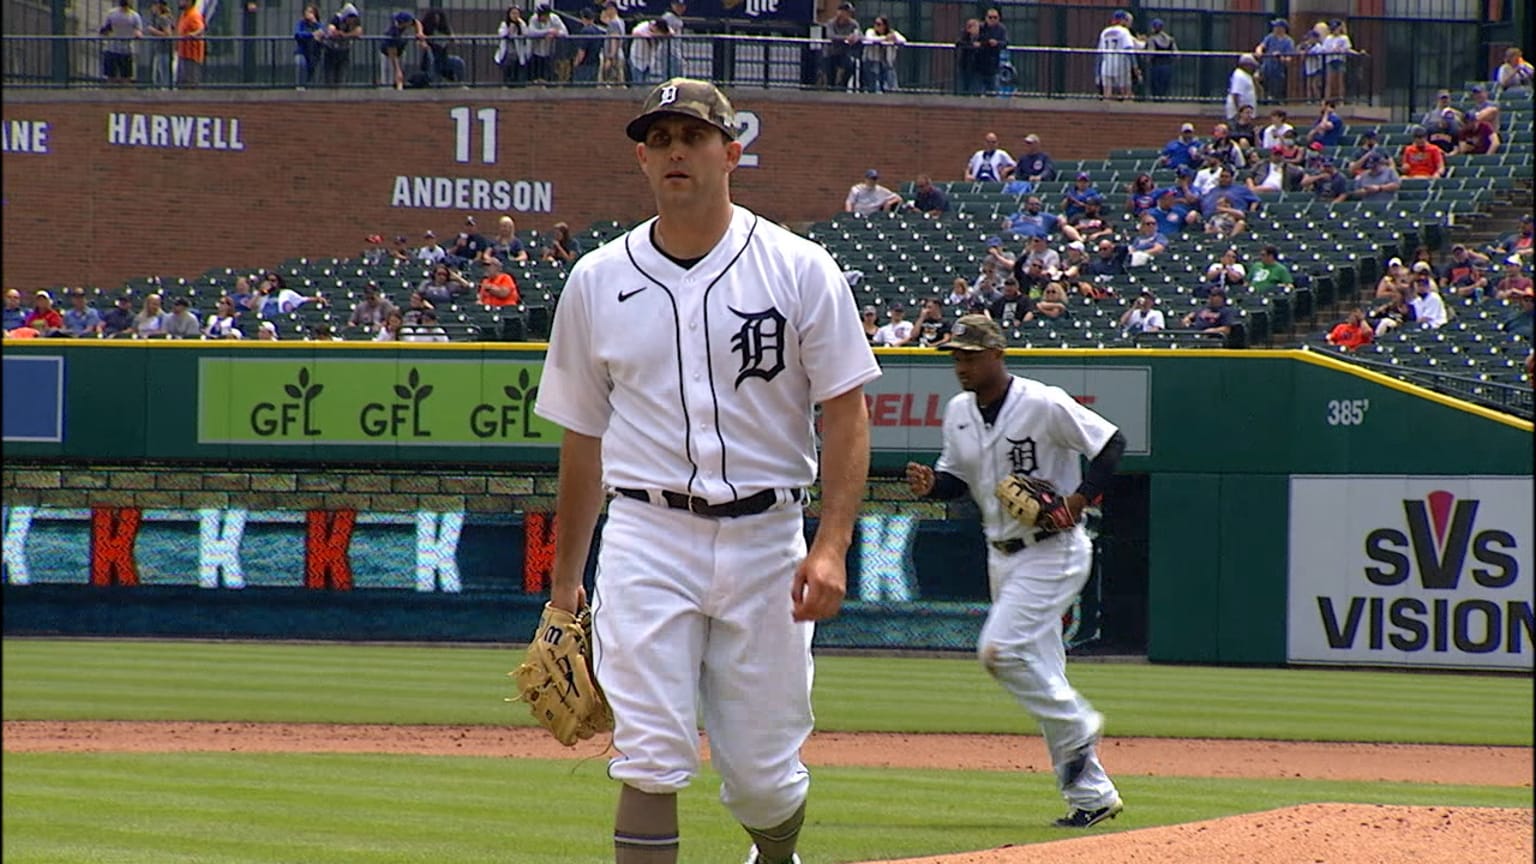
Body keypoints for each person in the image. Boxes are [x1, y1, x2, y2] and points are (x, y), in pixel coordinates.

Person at [533, 78, 880, 864]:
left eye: (691, 137)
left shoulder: (799, 268)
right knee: (650, 754)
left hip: (767, 538)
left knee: (763, 779)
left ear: (733, 151)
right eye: (659, 139)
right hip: (647, 536)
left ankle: (777, 851)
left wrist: (829, 548)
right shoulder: (595, 280)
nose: (675, 151)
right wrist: (565, 583)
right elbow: (583, 438)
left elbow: (847, 413)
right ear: (642, 160)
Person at [905, 314, 1126, 829]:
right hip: (1000, 554)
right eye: (955, 355)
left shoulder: (1042, 401)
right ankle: (1091, 796)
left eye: (969, 354)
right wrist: (931, 485)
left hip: (1054, 548)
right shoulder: (959, 411)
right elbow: (957, 481)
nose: (960, 363)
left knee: (999, 651)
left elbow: (1110, 444)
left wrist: (1076, 500)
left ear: (996, 354)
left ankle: (1080, 722)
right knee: (1044, 672)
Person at [1095, 9, 1142, 101]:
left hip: (1106, 65)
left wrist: (1097, 72)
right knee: (1126, 93)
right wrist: (1135, 68)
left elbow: (1099, 54)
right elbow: (1129, 50)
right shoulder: (1124, 32)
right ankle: (1128, 113)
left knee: (1107, 94)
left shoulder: (1105, 32)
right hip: (1121, 65)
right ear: (1123, 20)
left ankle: (1106, 114)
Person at [99, 0, 143, 86]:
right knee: (120, 77)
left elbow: (104, 30)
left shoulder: (113, 13)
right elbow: (138, 32)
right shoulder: (133, 15)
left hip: (120, 48)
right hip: (117, 48)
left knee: (116, 77)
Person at [319, 3, 362, 88]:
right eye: (350, 18)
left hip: (344, 51)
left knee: (342, 79)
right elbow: (332, 31)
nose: (351, 20)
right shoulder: (337, 18)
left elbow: (358, 32)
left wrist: (345, 35)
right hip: (331, 51)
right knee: (329, 78)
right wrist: (339, 33)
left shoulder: (355, 21)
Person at [822, 2, 861, 90]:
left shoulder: (853, 24)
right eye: (846, 12)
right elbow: (831, 36)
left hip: (844, 53)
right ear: (840, 12)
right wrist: (846, 38)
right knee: (830, 74)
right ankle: (830, 90)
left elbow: (860, 35)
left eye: (850, 12)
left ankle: (842, 87)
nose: (848, 14)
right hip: (830, 53)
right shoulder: (831, 23)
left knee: (849, 67)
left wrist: (855, 38)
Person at [380, 11, 424, 90]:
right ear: (403, 23)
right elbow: (392, 53)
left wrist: (419, 33)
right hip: (388, 55)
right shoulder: (392, 32)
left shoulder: (405, 20)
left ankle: (399, 90)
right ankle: (387, 93)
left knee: (400, 76)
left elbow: (416, 22)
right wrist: (397, 69)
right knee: (389, 78)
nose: (410, 24)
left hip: (400, 52)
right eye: (408, 23)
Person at [861, 16, 905, 93]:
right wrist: (884, 39)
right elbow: (869, 38)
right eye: (875, 24)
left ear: (884, 26)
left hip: (887, 62)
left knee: (890, 82)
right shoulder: (871, 31)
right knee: (875, 83)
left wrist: (894, 38)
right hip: (873, 61)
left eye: (878, 24)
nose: (876, 26)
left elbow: (903, 40)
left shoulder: (892, 32)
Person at [1254, 19, 1294, 104]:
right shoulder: (1270, 37)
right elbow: (1261, 46)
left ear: (1282, 28)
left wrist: (1280, 57)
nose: (1274, 29)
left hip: (1278, 70)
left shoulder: (1288, 41)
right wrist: (1259, 51)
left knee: (1276, 90)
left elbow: (1289, 59)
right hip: (1266, 66)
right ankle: (1262, 100)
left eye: (1276, 27)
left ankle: (1274, 102)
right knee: (1258, 79)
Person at [496, 6, 530, 86]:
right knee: (508, 70)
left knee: (518, 70)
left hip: (518, 52)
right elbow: (501, 34)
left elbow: (526, 33)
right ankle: (507, 84)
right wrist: (509, 30)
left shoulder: (521, 24)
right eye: (513, 13)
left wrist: (521, 23)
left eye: (517, 13)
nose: (515, 15)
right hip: (508, 52)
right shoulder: (504, 24)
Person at [975, 7, 1007, 94]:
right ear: (986, 18)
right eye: (990, 17)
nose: (992, 19)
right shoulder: (980, 28)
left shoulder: (1001, 29)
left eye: (995, 17)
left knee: (993, 92)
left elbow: (1005, 43)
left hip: (993, 65)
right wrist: (985, 43)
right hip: (979, 64)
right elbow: (975, 41)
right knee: (978, 92)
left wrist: (997, 43)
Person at [1142, 18, 1177, 99]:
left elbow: (1150, 54)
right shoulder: (1170, 39)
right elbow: (1176, 54)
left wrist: (1145, 59)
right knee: (1164, 87)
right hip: (1167, 66)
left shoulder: (1152, 39)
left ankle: (1156, 104)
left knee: (1155, 88)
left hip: (1156, 66)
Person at [174, 0, 205, 88]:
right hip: (182, 54)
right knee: (181, 83)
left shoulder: (193, 14)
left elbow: (201, 28)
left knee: (190, 83)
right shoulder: (184, 14)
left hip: (191, 56)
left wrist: (192, 34)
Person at [144, 0, 175, 88]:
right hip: (161, 49)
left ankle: (165, 89)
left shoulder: (163, 18)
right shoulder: (161, 18)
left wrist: (153, 30)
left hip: (163, 50)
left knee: (164, 72)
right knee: (160, 72)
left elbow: (167, 34)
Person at [294, 4, 324, 88]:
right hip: (302, 51)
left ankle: (310, 86)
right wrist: (311, 34)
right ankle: (300, 86)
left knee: (313, 70)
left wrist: (315, 23)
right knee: (301, 65)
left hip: (314, 53)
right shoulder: (301, 23)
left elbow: (321, 32)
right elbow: (298, 34)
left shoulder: (318, 24)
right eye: (307, 12)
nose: (309, 14)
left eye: (311, 12)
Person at [1227, 54, 1259, 121]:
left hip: (1247, 114)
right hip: (1239, 114)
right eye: (1251, 65)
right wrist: (1239, 112)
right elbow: (1236, 94)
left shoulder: (1247, 76)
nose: (1253, 67)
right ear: (1245, 65)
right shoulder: (1239, 75)